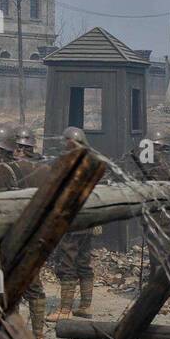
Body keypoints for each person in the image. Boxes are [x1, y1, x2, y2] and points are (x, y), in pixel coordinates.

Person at [0, 126, 48, 339]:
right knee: (33, 285)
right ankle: (38, 337)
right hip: (33, 235)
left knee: (1, 286)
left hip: (6, 239)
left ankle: (7, 333)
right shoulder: (40, 168)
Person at [49, 127, 96, 323]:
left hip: (71, 221)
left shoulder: (68, 163)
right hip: (88, 220)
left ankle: (65, 309)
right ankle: (85, 305)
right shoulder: (91, 161)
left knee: (67, 262)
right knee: (84, 263)